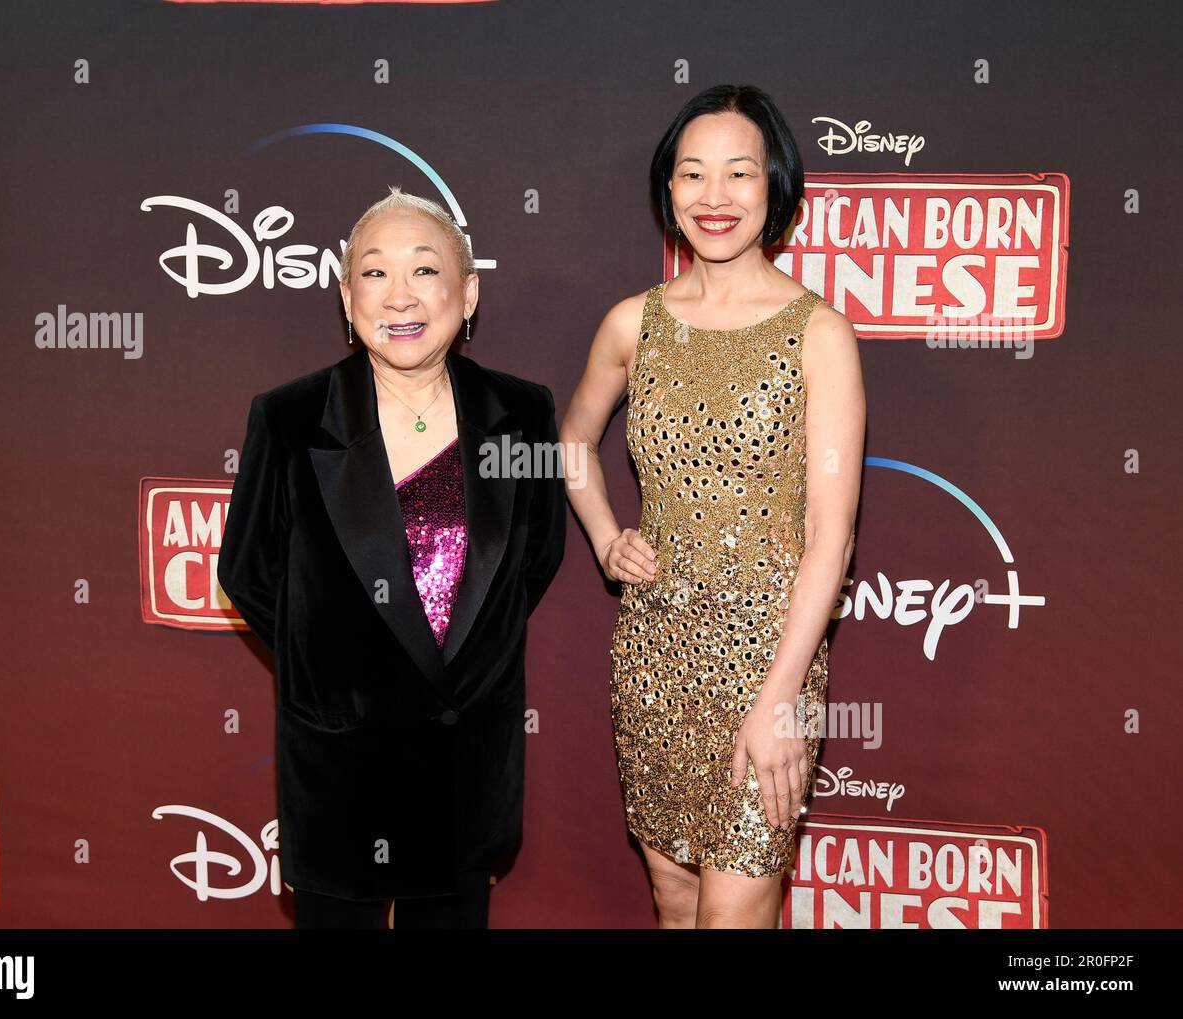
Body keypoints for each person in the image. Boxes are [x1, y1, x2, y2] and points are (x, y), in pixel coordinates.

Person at [217, 187, 565, 928]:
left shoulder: (524, 412)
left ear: (467, 291)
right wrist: (349, 674)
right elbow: (248, 573)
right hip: (341, 771)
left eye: (425, 270)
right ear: (346, 297)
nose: (399, 296)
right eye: (374, 273)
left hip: (464, 772)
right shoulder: (289, 418)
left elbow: (532, 560)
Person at [560, 85, 865, 928]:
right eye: (692, 174)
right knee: (676, 895)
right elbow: (572, 441)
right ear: (669, 191)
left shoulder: (819, 333)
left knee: (736, 904)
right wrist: (606, 535)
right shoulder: (634, 323)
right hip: (656, 651)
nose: (714, 196)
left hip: (773, 655)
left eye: (739, 173)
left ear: (776, 187)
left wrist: (781, 697)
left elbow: (831, 534)